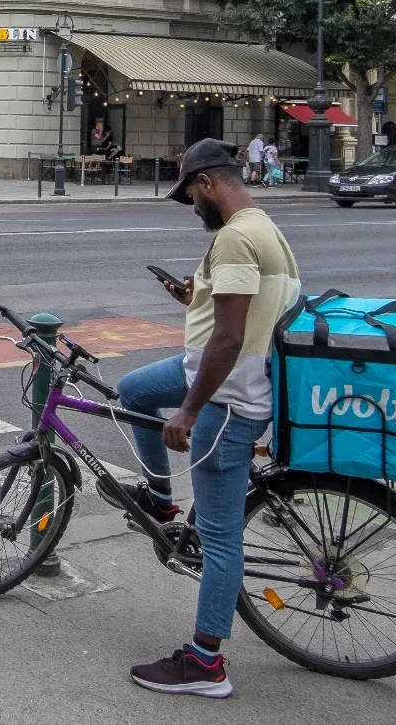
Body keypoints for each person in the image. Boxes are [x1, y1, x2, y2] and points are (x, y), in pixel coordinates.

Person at [119, 139, 300, 698]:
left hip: (226, 397)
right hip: (212, 369)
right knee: (131, 391)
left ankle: (205, 665)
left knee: (221, 540)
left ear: (207, 185)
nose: (191, 207)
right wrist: (193, 296)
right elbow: (232, 311)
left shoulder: (236, 239)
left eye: (190, 196)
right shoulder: (261, 225)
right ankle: (160, 497)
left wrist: (191, 410)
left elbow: (229, 335)